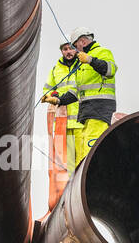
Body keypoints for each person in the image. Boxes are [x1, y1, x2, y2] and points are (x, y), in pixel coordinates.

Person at [41, 26, 116, 165]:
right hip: (86, 114)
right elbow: (75, 91)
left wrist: (90, 60)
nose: (75, 50)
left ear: (82, 41)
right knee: (81, 157)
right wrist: (58, 100)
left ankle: (93, 183)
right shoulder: (80, 63)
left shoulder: (101, 52)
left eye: (75, 46)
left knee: (91, 152)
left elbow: (110, 70)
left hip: (99, 111)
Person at [42, 39, 83, 171]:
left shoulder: (82, 66)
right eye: (65, 49)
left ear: (76, 49)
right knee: (65, 161)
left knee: (82, 157)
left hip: (80, 121)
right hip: (62, 123)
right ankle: (70, 187)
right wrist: (52, 95)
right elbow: (46, 90)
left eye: (71, 48)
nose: (68, 52)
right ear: (61, 51)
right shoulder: (56, 69)